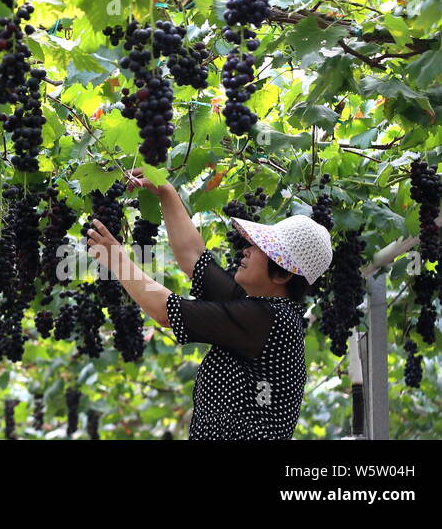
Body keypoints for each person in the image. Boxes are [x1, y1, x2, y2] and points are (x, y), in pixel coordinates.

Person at [84, 168, 333, 440]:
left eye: (261, 247)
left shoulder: (268, 320)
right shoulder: (262, 310)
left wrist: (117, 260)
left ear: (282, 274)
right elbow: (194, 258)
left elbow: (166, 313)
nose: (246, 249)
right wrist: (165, 192)